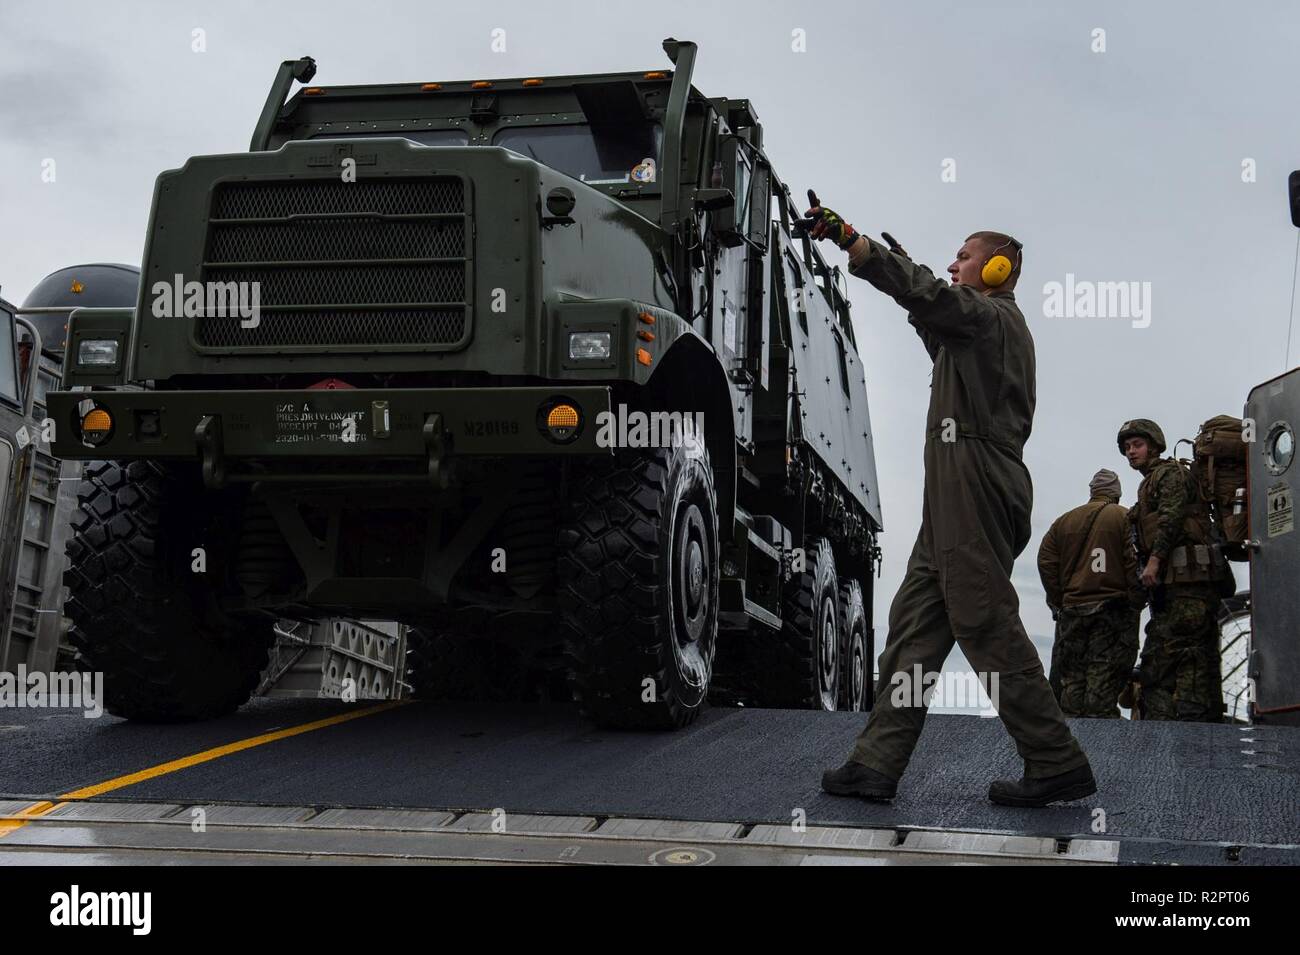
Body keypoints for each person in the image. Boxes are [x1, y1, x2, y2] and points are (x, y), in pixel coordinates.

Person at [802, 200, 1096, 807]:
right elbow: (934, 317)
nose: (954, 263)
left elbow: (933, 299)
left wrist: (853, 242)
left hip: (973, 479)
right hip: (960, 486)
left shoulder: (991, 316)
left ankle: (1054, 759)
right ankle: (876, 763)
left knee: (983, 618)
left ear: (995, 271)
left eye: (965, 256)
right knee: (914, 629)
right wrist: (909, 278)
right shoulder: (977, 328)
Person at [1118, 419, 1227, 722]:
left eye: (1137, 445)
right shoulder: (1150, 481)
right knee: (1189, 661)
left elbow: (1171, 517)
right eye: (1127, 448)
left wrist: (1154, 561)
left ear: (1153, 445)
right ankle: (1193, 733)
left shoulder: (1168, 474)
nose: (1131, 452)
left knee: (1168, 665)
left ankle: (1177, 738)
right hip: (1178, 587)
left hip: (1189, 586)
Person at [1037, 468, 1144, 718]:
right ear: (1116, 493)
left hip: (1073, 612)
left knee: (1072, 682)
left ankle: (1071, 743)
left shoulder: (1064, 521)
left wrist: (1059, 599)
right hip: (1112, 612)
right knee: (1103, 682)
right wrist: (1135, 599)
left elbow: (1046, 562)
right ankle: (1102, 745)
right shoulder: (1124, 517)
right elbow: (1132, 560)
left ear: (1092, 491)